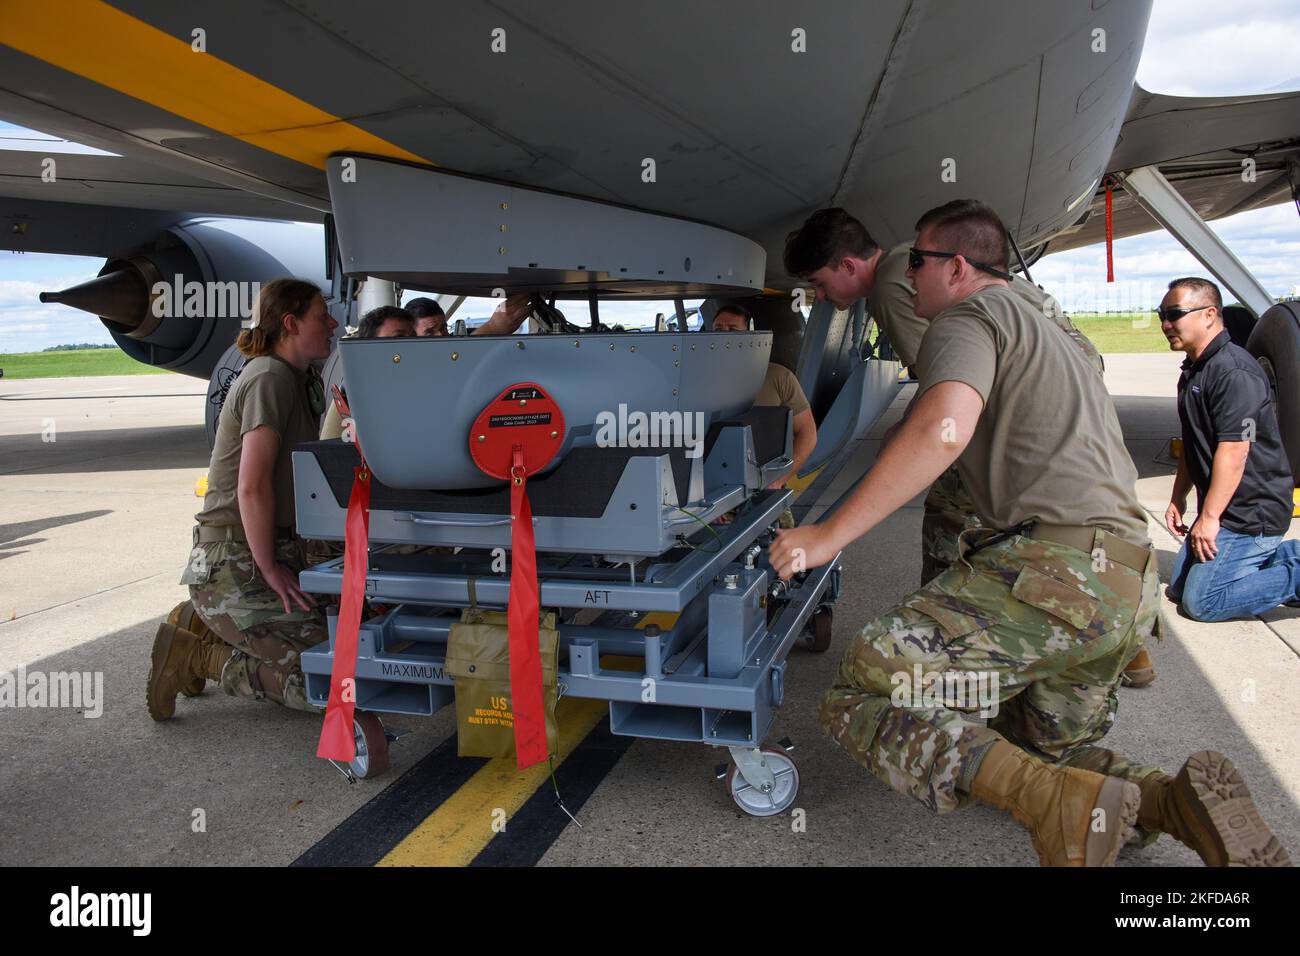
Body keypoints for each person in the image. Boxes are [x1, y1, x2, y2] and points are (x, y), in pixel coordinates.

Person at [768, 199, 1289, 867]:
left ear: (955, 268)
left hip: (1057, 571)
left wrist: (826, 535)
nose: (909, 275)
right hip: (1128, 583)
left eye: (920, 262)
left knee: (866, 688)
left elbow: (942, 430)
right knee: (1051, 748)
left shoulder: (965, 316)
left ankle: (1054, 806)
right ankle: (1174, 804)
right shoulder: (1050, 320)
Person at [778, 207, 1157, 685]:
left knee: (947, 513)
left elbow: (947, 402)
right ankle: (1113, 640)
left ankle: (951, 636)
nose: (820, 297)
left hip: (1025, 415)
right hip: (1078, 418)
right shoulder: (924, 272)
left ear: (849, 267)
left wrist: (831, 531)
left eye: (819, 282)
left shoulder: (902, 287)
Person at [147, 278, 337, 719]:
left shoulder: (295, 376)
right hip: (235, 559)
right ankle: (200, 656)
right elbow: (250, 486)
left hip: (269, 548)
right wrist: (268, 566)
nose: (331, 322)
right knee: (330, 682)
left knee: (348, 649)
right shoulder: (269, 377)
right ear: (290, 323)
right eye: (319, 315)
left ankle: (218, 629)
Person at [1161, 277, 1300, 620]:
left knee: (1202, 602)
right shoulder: (1195, 370)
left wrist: (1207, 519)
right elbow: (1194, 441)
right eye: (1161, 314)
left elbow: (1235, 452)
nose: (1165, 324)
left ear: (1209, 314)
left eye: (1175, 314)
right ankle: (1274, 558)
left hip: (1252, 512)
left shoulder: (1234, 372)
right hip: (1228, 509)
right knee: (1178, 587)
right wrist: (1178, 496)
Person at [712, 303, 817, 491]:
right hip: (714, 491)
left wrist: (779, 480)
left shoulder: (778, 377)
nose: (724, 335)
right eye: (718, 329)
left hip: (764, 489)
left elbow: (807, 434)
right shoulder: (700, 380)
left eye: (733, 330)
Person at [319, 306, 415, 441]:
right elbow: (331, 446)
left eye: (412, 337)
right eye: (398, 337)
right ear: (369, 346)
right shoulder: (353, 392)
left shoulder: (420, 385)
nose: (410, 344)